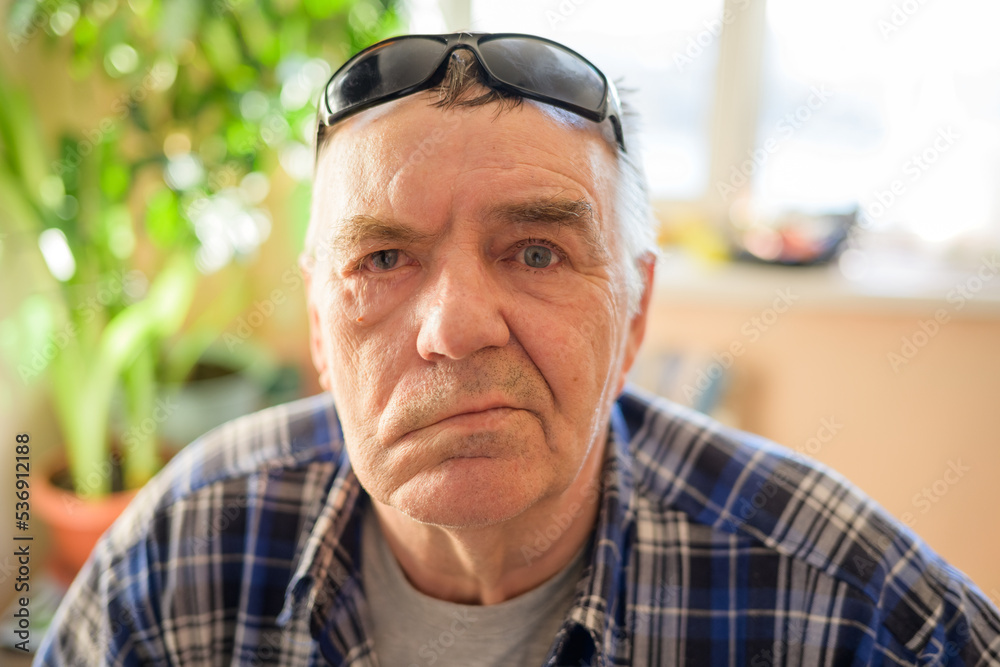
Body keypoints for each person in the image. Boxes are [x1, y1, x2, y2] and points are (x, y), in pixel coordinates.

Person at [37, 32, 1000, 666]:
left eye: (536, 251)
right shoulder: (175, 559)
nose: (456, 327)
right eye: (382, 257)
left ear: (633, 314)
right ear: (322, 332)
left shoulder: (859, 611)